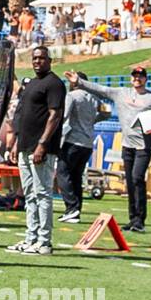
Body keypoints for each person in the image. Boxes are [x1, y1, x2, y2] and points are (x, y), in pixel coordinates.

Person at [66, 64, 151, 233]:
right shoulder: (122, 93)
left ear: (146, 79)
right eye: (134, 75)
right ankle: (133, 219)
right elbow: (101, 89)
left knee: (137, 178)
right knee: (131, 183)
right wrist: (79, 82)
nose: (137, 78)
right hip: (127, 144)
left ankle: (140, 219)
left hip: (144, 145)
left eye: (140, 76)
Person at [5, 45, 65, 255]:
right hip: (25, 145)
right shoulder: (31, 84)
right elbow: (23, 114)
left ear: (49, 60)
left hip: (41, 148)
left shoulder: (54, 84)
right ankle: (31, 237)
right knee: (29, 194)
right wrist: (15, 143)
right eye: (34, 58)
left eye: (41, 58)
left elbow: (54, 115)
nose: (37, 61)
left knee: (42, 193)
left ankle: (44, 241)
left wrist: (42, 144)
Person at [56, 80, 99, 224]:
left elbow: (64, 115)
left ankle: (71, 207)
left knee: (62, 172)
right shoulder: (94, 98)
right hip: (88, 142)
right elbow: (106, 113)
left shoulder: (72, 95)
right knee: (76, 177)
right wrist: (90, 122)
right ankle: (76, 210)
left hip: (73, 140)